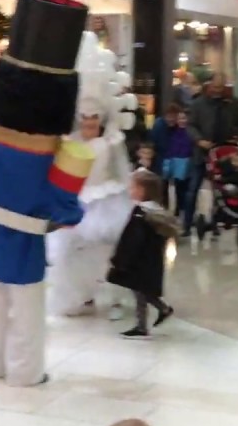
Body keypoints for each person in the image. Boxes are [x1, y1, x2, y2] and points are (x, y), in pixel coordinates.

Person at [0, 0, 93, 387]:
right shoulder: (56, 158)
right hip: (26, 251)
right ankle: (25, 373)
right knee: (27, 315)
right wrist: (69, 208)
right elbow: (65, 209)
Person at [47, 64, 136, 320]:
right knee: (70, 253)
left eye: (94, 119)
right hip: (76, 200)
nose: (90, 124)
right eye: (86, 119)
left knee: (108, 252)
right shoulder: (69, 141)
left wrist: (127, 195)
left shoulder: (111, 142)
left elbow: (121, 172)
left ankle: (115, 299)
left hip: (106, 201)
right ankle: (80, 296)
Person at [108, 170, 179, 338]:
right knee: (143, 290)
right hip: (152, 259)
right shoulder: (157, 211)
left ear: (142, 190)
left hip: (138, 260)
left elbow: (132, 238)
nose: (130, 190)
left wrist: (121, 258)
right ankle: (161, 311)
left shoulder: (140, 212)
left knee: (140, 291)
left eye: (133, 187)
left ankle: (143, 326)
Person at [186, 73, 238, 231]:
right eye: (215, 87)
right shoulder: (198, 104)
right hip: (202, 152)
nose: (218, 91)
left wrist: (237, 137)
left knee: (222, 189)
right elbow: (190, 126)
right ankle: (186, 224)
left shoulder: (233, 104)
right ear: (209, 85)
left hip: (224, 153)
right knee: (193, 189)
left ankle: (218, 220)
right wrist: (199, 140)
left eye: (221, 87)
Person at [149, 104, 192, 217]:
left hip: (177, 159)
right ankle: (163, 209)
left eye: (174, 116)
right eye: (169, 116)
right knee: (162, 186)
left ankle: (179, 210)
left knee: (180, 187)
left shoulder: (180, 127)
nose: (171, 119)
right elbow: (152, 142)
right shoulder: (159, 125)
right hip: (162, 158)